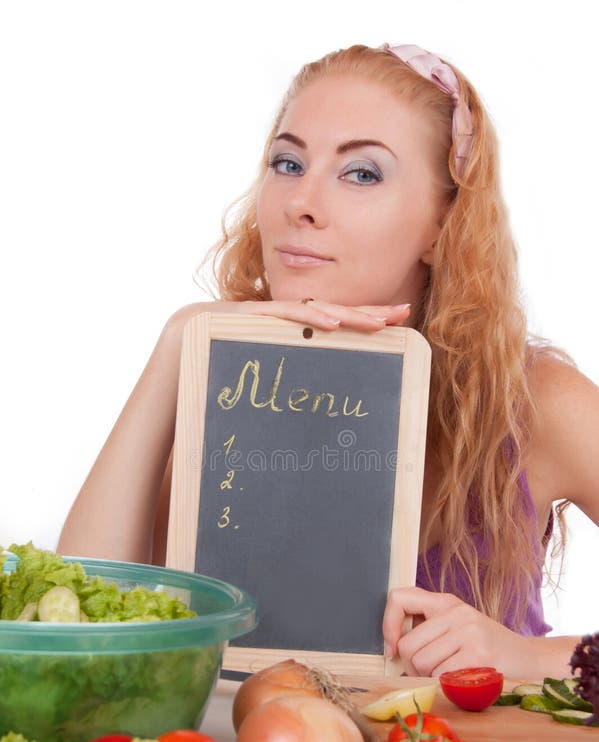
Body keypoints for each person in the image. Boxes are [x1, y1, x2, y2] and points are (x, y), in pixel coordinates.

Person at [57, 42, 599, 681]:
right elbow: (77, 638)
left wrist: (524, 656)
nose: (299, 204)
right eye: (287, 162)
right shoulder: (229, 384)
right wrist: (177, 346)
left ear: (443, 225)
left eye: (361, 174)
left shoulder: (537, 404)